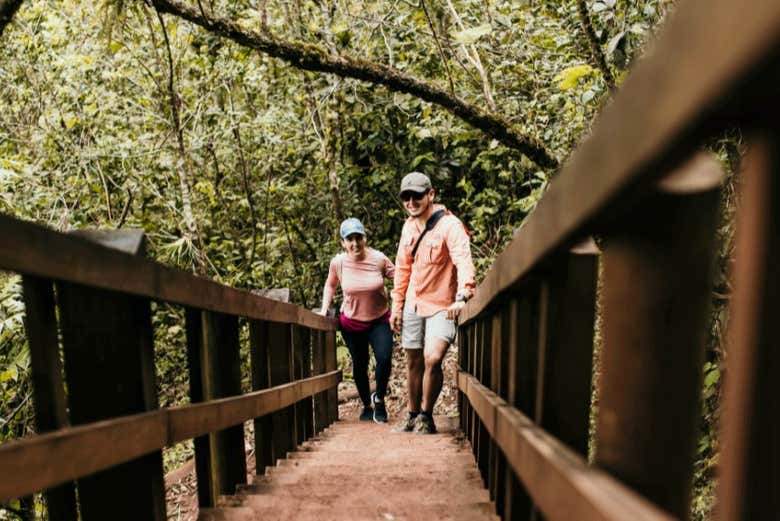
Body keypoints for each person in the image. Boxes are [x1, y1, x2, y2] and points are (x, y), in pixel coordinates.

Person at [390, 172, 475, 434]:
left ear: (431, 194)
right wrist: (397, 306)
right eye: (406, 197)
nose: (411, 202)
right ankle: (412, 414)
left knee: (433, 357)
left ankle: (426, 416)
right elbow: (402, 268)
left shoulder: (450, 225)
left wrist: (463, 295)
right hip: (414, 301)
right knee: (413, 360)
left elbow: (463, 260)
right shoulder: (408, 227)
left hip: (442, 303)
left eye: (417, 196)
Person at [318, 217, 395, 423]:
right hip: (352, 323)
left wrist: (399, 301)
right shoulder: (338, 263)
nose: (355, 243)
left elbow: (399, 279)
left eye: (358, 237)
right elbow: (330, 285)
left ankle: (379, 399)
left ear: (365, 238)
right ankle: (367, 405)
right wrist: (324, 309)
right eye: (349, 239)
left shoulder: (379, 259)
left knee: (384, 358)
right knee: (360, 364)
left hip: (379, 320)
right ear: (343, 242)